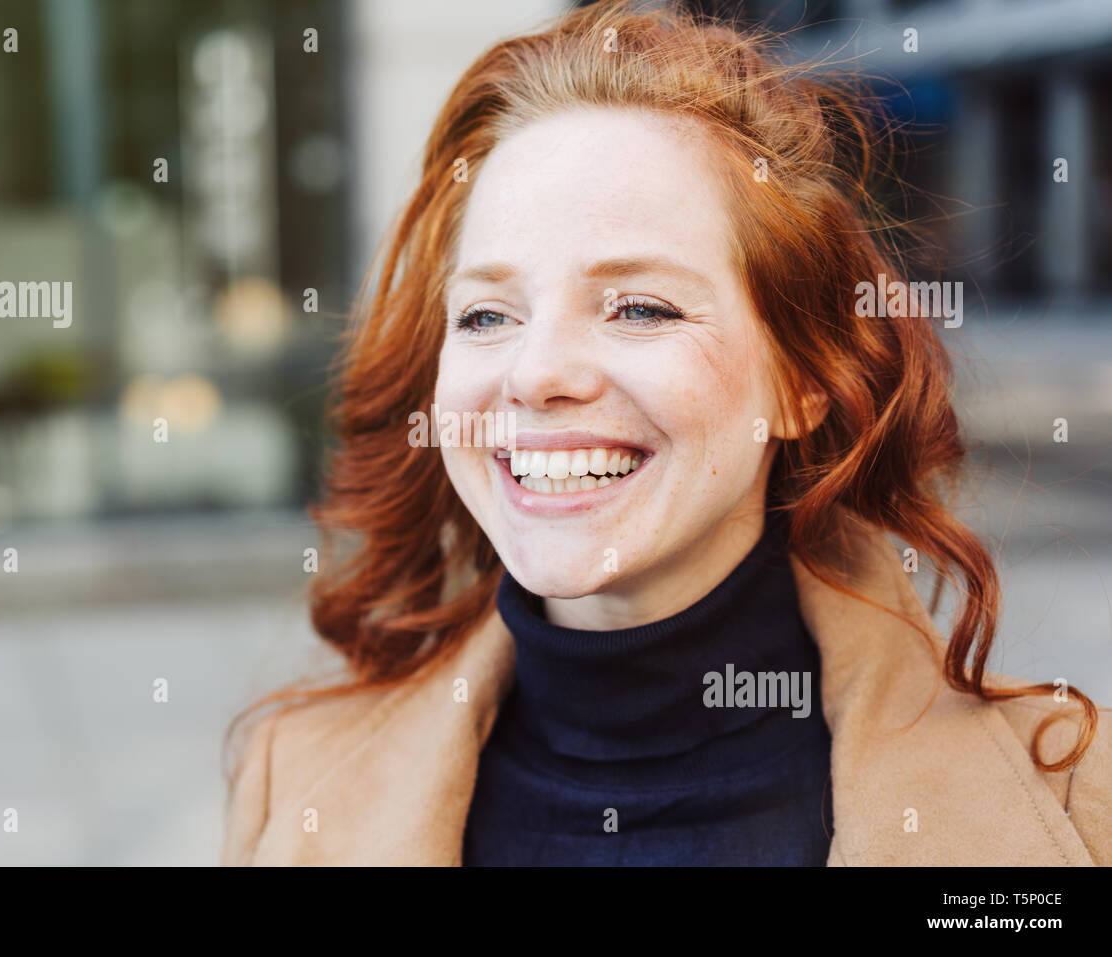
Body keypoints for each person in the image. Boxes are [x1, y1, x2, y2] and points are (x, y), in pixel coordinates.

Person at [221, 0, 1109, 866]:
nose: (535, 374)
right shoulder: (288, 777)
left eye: (640, 307)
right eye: (488, 315)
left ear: (804, 379)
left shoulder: (1079, 796)